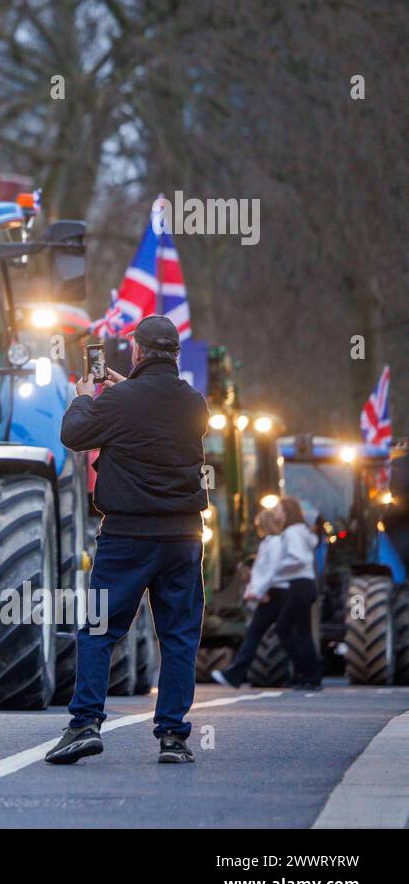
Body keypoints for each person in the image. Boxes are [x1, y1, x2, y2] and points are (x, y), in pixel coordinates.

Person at [45, 315, 209, 765]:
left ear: (136, 350)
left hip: (126, 535)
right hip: (183, 536)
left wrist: (84, 398)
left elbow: (74, 435)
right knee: (178, 636)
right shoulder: (195, 403)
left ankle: (84, 725)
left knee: (99, 628)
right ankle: (173, 737)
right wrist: (124, 390)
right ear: (175, 353)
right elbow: (155, 414)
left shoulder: (117, 402)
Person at [212, 496, 323, 690]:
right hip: (298, 585)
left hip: (298, 585)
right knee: (293, 630)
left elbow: (297, 559)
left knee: (285, 630)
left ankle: (308, 675)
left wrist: (271, 576)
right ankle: (306, 675)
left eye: (279, 510)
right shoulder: (293, 533)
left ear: (287, 512)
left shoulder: (291, 533)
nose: (276, 513)